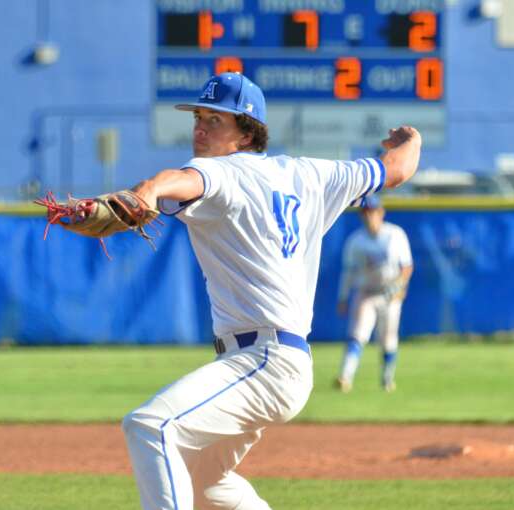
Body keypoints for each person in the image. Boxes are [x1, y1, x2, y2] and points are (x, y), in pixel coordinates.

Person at [121, 72, 421, 510]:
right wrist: (410, 139)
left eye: (215, 120)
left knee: (150, 426)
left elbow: (184, 181)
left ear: (246, 133)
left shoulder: (218, 171)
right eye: (198, 118)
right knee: (207, 483)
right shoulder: (313, 174)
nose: (200, 128)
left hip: (263, 361)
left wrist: (148, 189)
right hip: (275, 362)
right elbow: (396, 168)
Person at [335, 195, 413, 393]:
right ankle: (345, 377)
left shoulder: (395, 235)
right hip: (366, 293)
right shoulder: (355, 241)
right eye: (366, 212)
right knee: (357, 335)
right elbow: (348, 272)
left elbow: (406, 267)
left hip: (389, 294)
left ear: (381, 213)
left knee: (388, 339)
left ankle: (387, 379)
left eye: (373, 211)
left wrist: (400, 286)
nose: (370, 215)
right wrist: (343, 297)